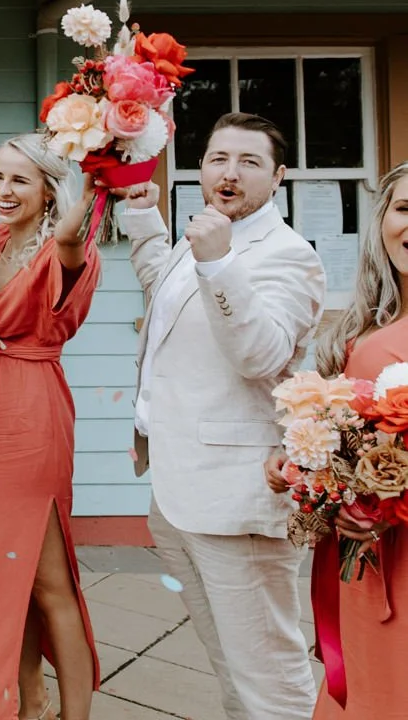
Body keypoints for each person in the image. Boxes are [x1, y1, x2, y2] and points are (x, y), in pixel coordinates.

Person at [121, 111, 323, 719]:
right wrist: (142, 216)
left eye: (249, 162)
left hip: (237, 496)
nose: (229, 174)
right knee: (228, 663)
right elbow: (168, 293)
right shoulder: (203, 236)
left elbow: (261, 355)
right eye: (217, 159)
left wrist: (216, 262)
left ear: (278, 176)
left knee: (270, 674)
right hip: (177, 486)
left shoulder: (288, 255)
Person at [0, 133, 101, 720]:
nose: (3, 190)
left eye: (20, 179)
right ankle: (26, 702)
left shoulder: (62, 248)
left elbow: (71, 240)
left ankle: (75, 715)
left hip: (28, 412)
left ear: (48, 190)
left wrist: (90, 184)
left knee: (47, 580)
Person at [265, 161, 408, 718]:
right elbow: (347, 437)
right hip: (366, 559)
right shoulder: (361, 332)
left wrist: (390, 503)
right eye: (403, 208)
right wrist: (307, 465)